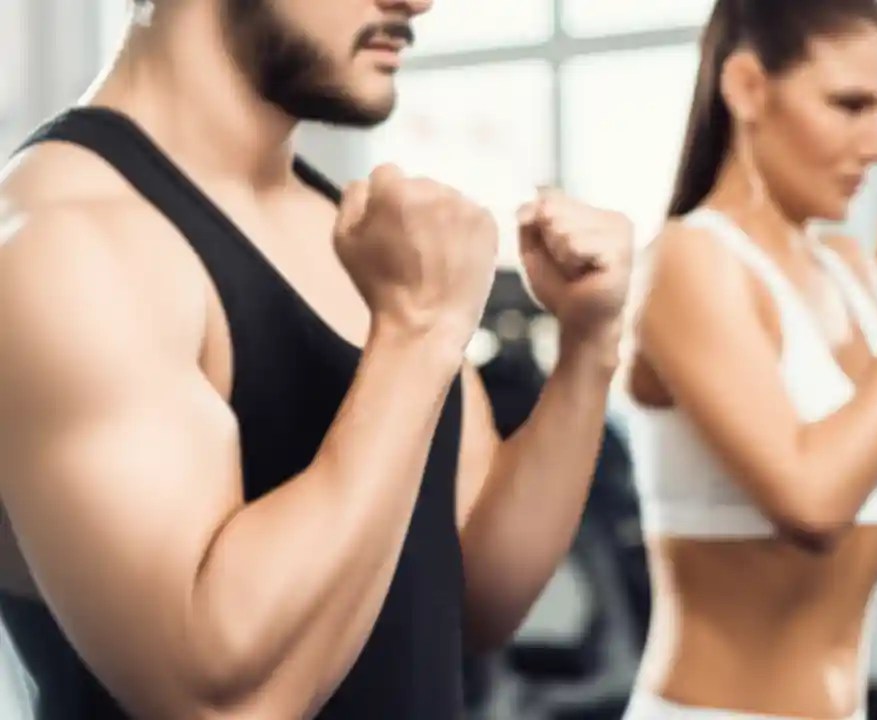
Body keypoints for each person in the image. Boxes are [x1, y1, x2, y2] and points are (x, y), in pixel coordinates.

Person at [0, 0, 634, 717]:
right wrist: (418, 333)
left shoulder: (355, 235)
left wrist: (589, 342)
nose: (419, 2)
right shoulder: (63, 243)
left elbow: (477, 594)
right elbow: (218, 706)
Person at [622, 0, 877, 718]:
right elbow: (812, 505)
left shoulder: (847, 269)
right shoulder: (692, 261)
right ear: (749, 88)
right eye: (850, 105)